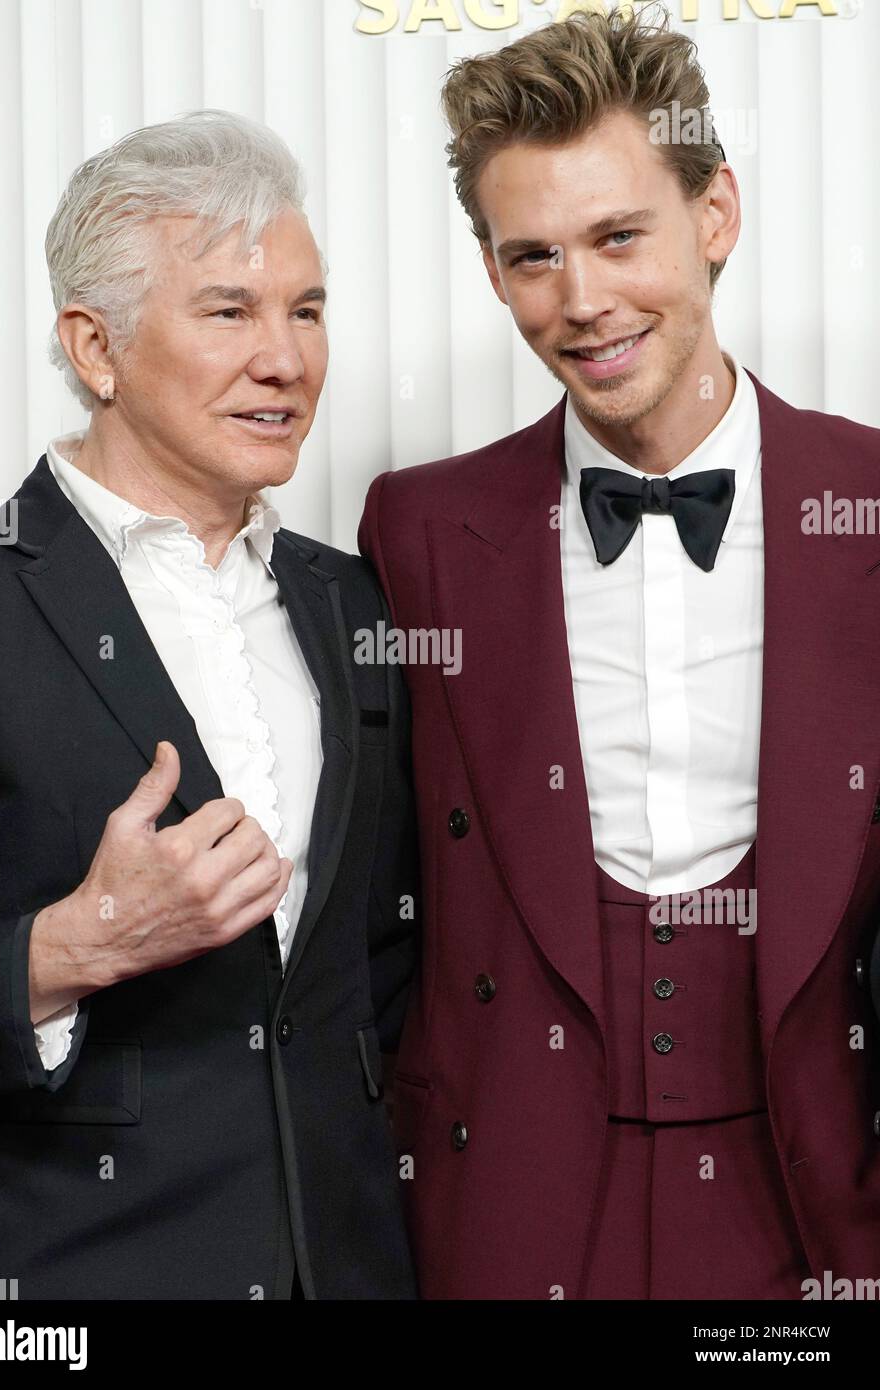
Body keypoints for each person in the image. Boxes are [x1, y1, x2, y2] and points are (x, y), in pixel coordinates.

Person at [359, 6, 880, 1300]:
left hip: (815, 1209)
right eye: (532, 255)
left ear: (716, 216)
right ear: (490, 271)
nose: (582, 301)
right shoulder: (418, 528)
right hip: (508, 1205)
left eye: (618, 235)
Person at [0, 110, 418, 1301]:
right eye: (229, 311)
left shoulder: (353, 599)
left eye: (306, 310)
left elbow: (384, 964)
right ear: (95, 349)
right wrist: (73, 946)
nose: (287, 358)